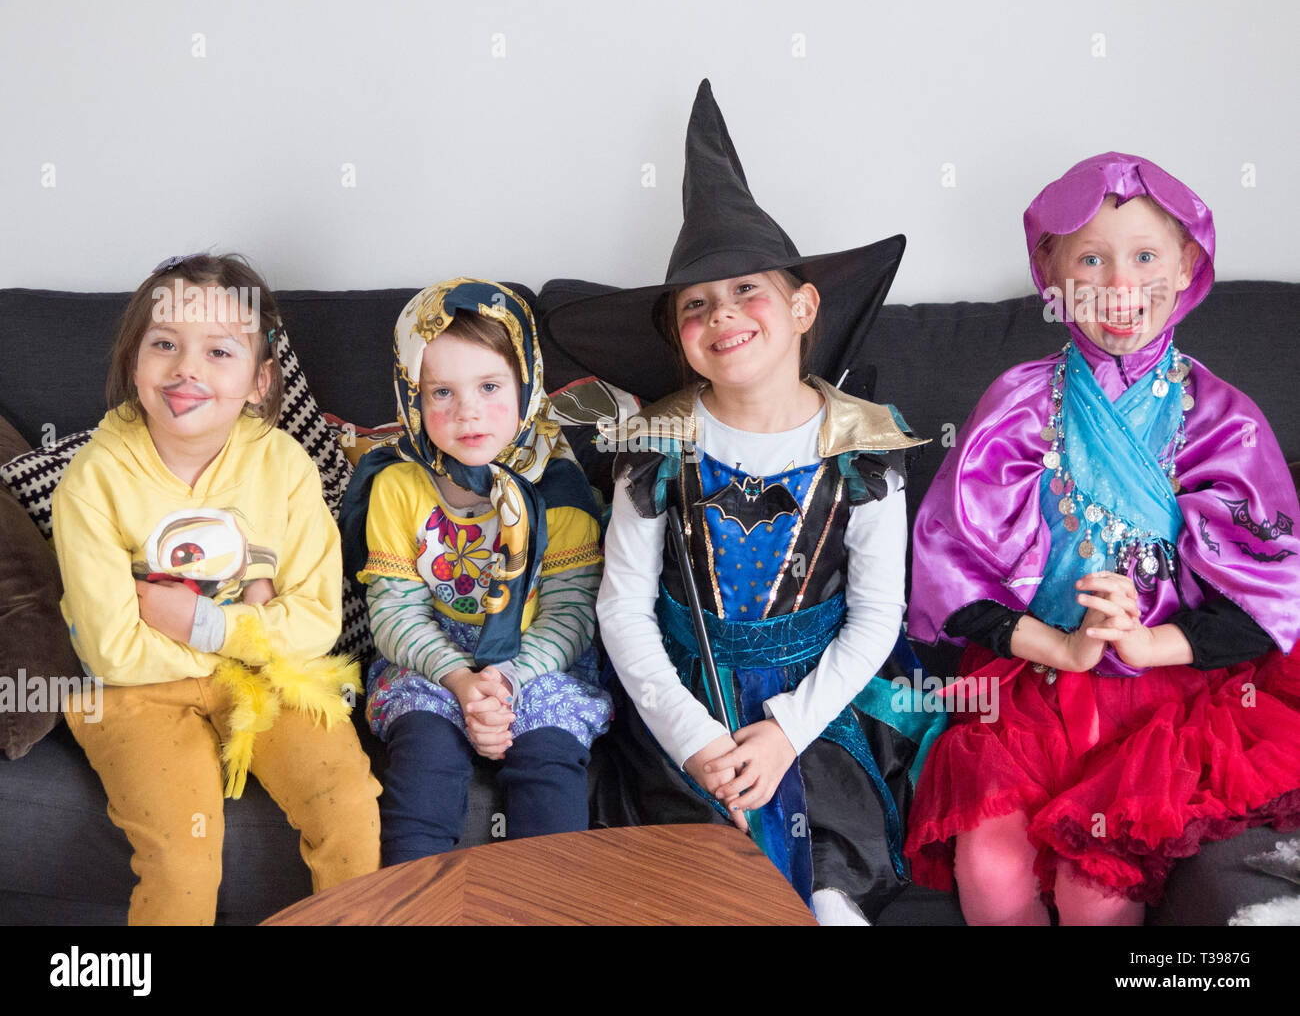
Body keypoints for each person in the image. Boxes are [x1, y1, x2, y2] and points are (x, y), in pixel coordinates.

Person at [549, 80, 935, 925]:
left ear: (802, 307)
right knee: (701, 867)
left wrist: (786, 729)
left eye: (746, 291)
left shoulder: (864, 445)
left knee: (823, 850)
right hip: (687, 691)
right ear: (679, 338)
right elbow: (623, 609)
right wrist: (696, 737)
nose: (722, 314)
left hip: (819, 702)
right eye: (696, 305)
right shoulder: (657, 448)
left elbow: (876, 615)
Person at [905, 153, 1300, 925]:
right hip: (1037, 679)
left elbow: (1268, 592)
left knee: (1095, 886)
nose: (1120, 287)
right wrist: (1067, 647)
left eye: (1146, 257)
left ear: (1187, 265)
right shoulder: (1015, 405)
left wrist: (1146, 645)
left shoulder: (1224, 419)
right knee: (988, 864)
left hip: (1169, 698)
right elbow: (951, 579)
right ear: (1051, 274)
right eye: (1091, 259)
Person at [53, 253, 381, 926]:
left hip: (270, 679)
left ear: (260, 380)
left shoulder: (284, 466)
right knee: (183, 856)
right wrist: (253, 628)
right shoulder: (92, 480)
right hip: (137, 696)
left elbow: (316, 618)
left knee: (348, 804)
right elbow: (117, 650)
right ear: (135, 362)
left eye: (219, 350)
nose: (187, 369)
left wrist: (201, 623)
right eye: (165, 343)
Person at [339, 278, 610, 865]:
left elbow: (570, 616)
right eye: (440, 392)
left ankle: (544, 907)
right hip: (430, 658)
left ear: (527, 387)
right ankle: (414, 903)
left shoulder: (560, 491)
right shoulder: (397, 486)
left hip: (539, 660)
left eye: (490, 386)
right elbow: (393, 614)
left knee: (549, 764)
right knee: (423, 764)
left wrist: (505, 682)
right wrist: (462, 682)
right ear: (410, 397)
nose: (468, 412)